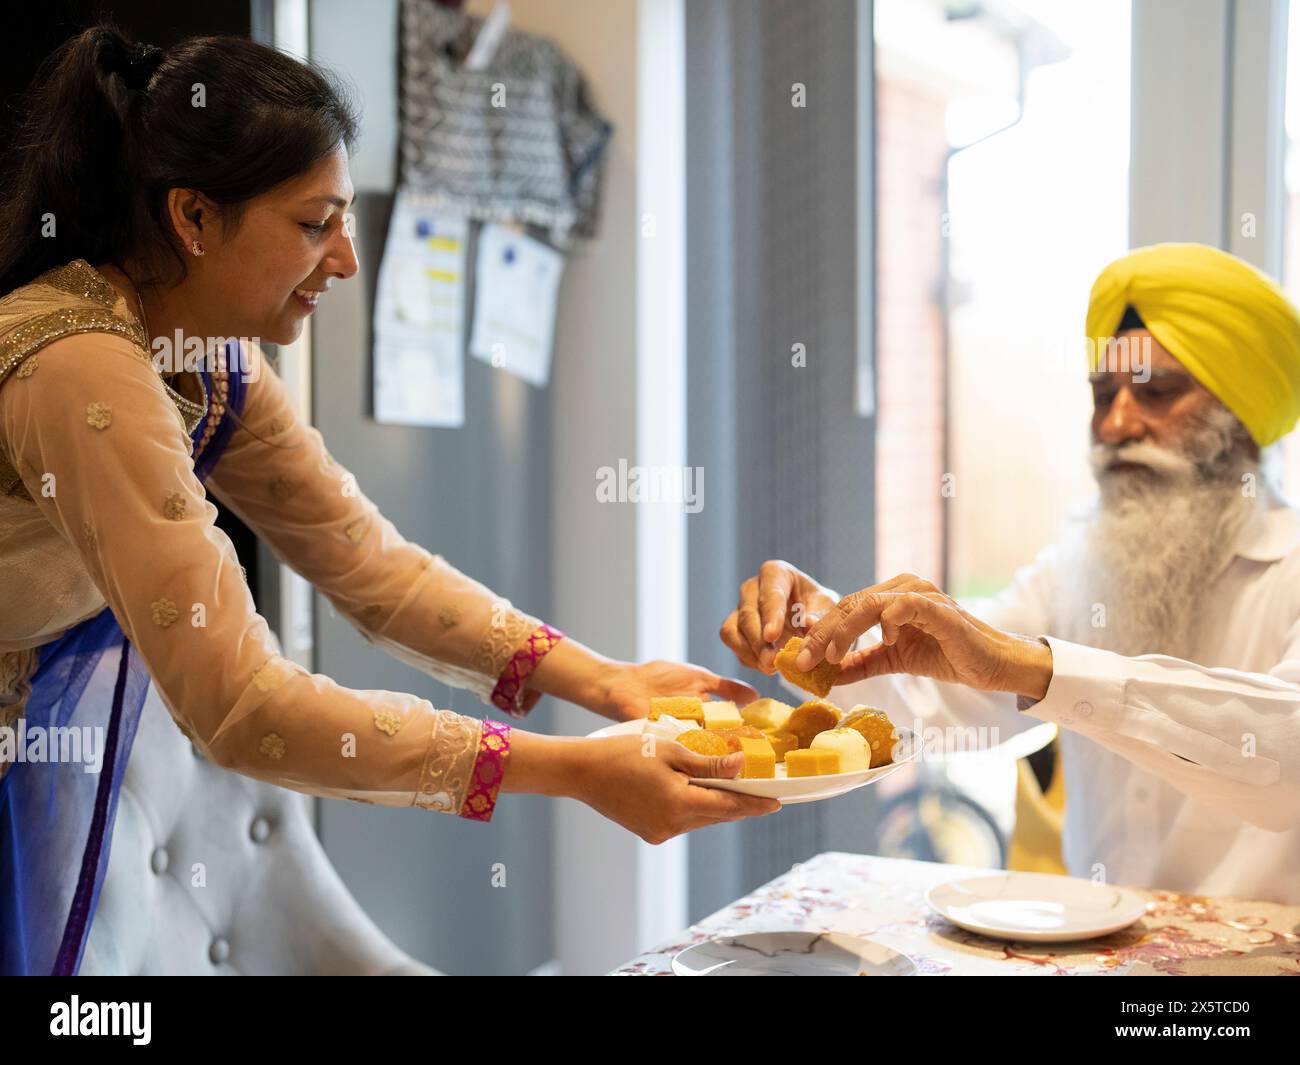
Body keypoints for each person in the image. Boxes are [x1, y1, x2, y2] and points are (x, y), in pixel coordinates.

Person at [0, 25, 777, 976]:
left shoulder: (202, 354)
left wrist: (605, 680)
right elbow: (243, 705)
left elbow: (369, 564)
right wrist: (570, 769)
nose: (347, 260)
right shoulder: (81, 364)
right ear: (194, 219)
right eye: (313, 223)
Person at [722, 242, 1300, 905]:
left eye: (1157, 392)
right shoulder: (1078, 569)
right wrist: (817, 634)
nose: (1115, 424)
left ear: (1245, 413)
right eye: (1103, 394)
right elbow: (921, 712)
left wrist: (1041, 671)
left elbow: (1287, 755)